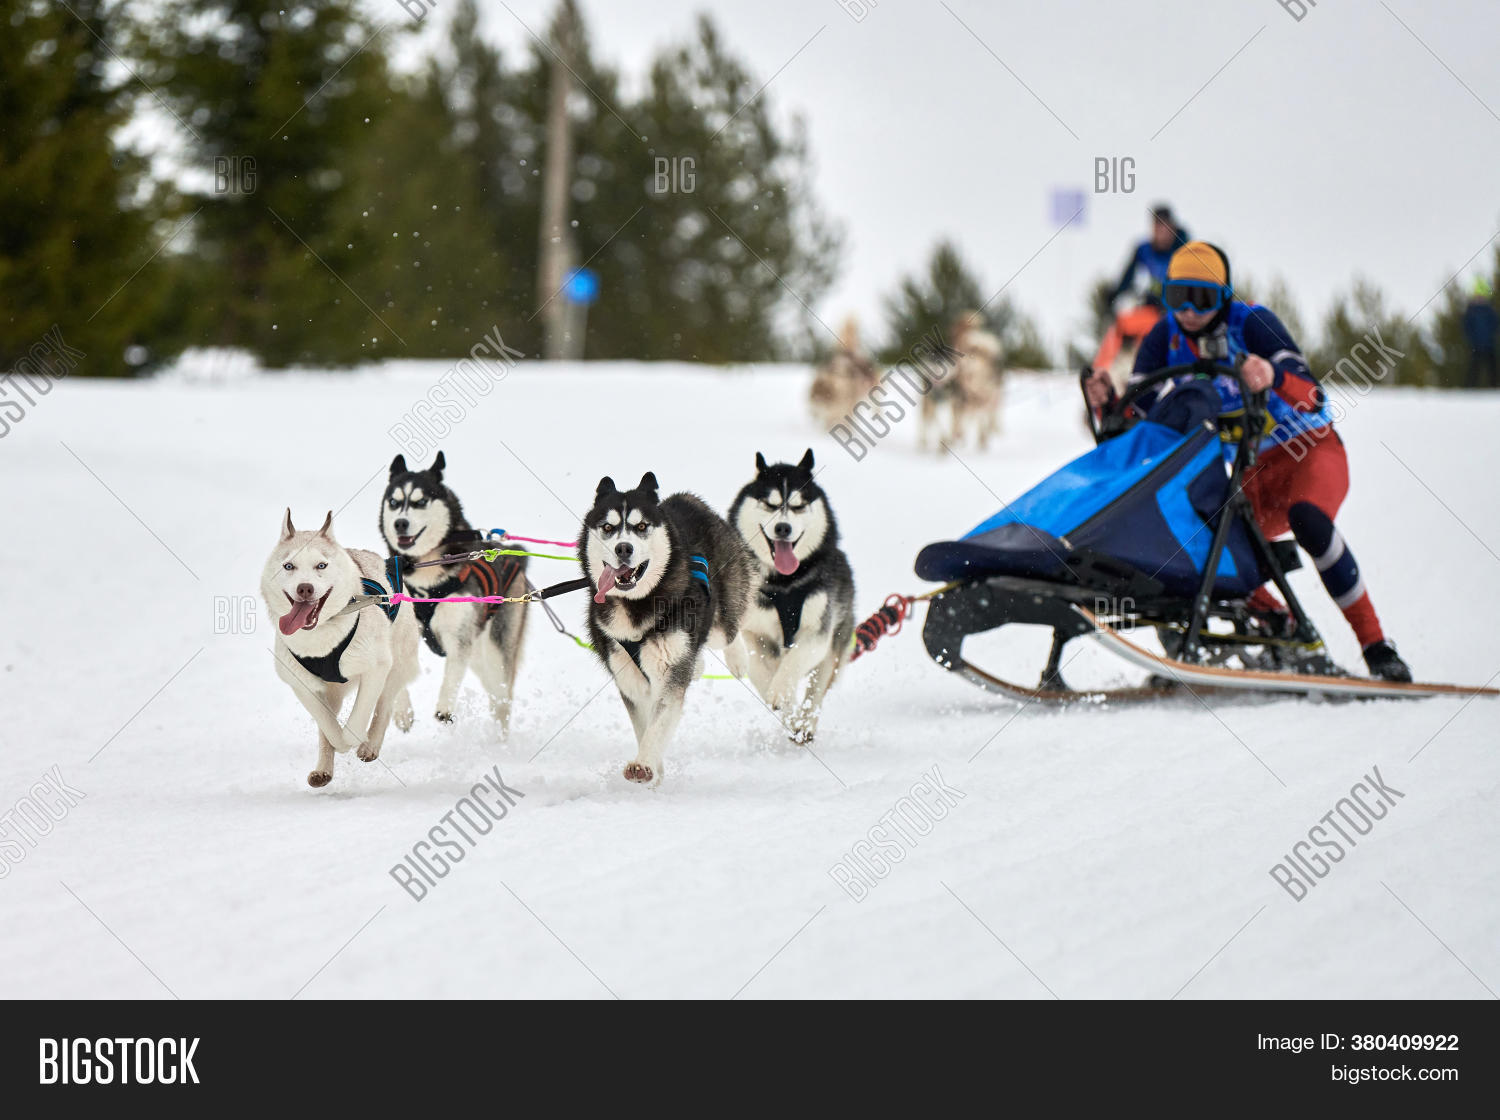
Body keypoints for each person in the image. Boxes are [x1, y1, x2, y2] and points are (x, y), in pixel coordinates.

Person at [1084, 241, 1412, 682]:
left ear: (1224, 297)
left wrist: (1272, 376)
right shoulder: (1164, 336)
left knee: (1309, 521)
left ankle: (1377, 648)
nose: (1189, 311)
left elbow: (1312, 396)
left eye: (1202, 298)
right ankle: (1278, 626)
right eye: (1177, 297)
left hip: (1308, 452)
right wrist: (1107, 407)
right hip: (1250, 470)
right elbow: (1136, 428)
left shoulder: (1253, 322)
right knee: (1210, 545)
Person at [1093, 205, 1191, 376]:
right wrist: (1114, 294)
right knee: (1122, 327)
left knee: (1157, 337)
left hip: (1178, 313)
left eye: (1165, 228)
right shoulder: (1144, 250)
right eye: (1157, 228)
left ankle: (1154, 373)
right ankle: (1100, 374)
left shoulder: (1183, 250)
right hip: (1152, 311)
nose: (1161, 233)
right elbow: (1128, 278)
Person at [1462, 276, 1498, 389]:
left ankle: (1494, 386)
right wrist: (1471, 339)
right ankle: (1470, 387)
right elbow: (1467, 326)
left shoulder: (1489, 310)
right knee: (1474, 367)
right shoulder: (1471, 311)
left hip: (1489, 344)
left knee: (1492, 367)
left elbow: (1495, 324)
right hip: (1476, 344)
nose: (1480, 299)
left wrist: (1492, 336)